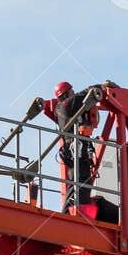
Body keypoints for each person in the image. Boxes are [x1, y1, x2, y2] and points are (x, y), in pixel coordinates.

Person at [33, 81, 99, 210]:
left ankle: (76, 207)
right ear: (66, 94)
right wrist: (101, 87)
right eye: (71, 91)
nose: (73, 92)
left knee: (77, 179)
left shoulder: (59, 108)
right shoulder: (66, 104)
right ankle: (73, 209)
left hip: (72, 150)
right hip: (76, 150)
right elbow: (84, 94)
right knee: (80, 178)